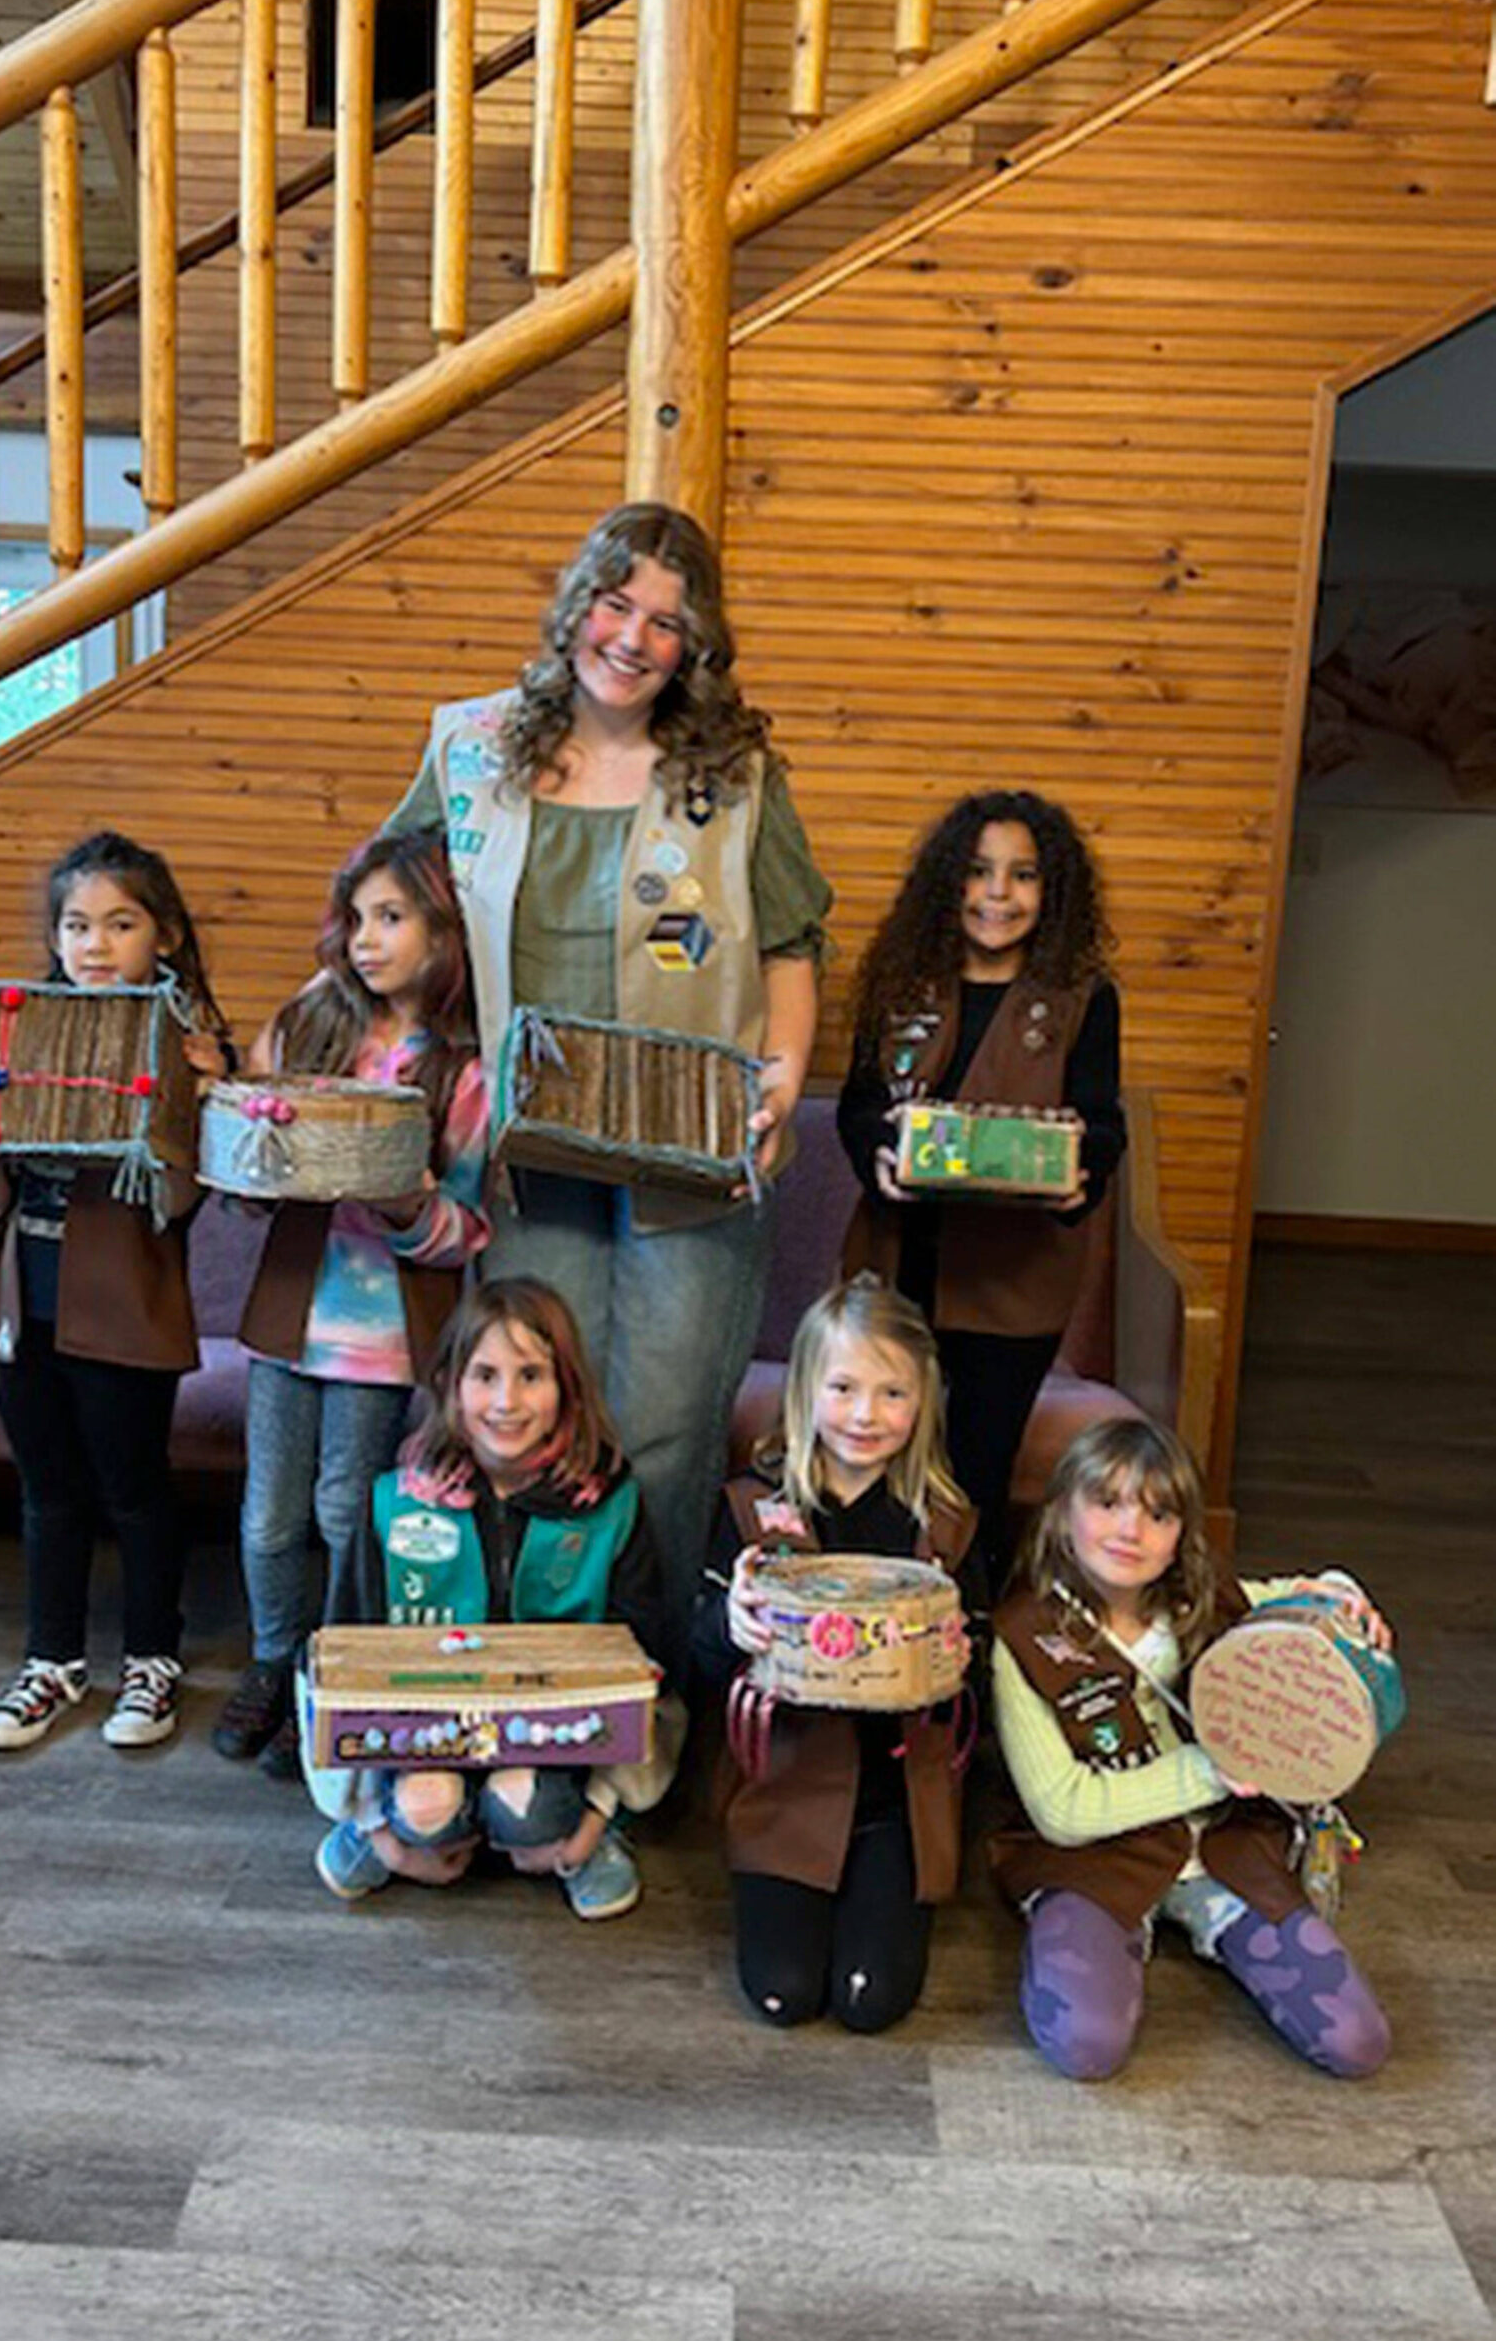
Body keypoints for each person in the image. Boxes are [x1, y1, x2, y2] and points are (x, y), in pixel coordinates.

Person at [382, 502, 832, 1647]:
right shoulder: (473, 748)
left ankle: (647, 1684)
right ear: (578, 605)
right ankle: (537, 1676)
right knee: (535, 1409)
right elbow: (388, 909)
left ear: (696, 646)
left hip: (689, 1146)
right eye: (616, 603)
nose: (632, 637)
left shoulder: (733, 774)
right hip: (526, 1155)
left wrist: (780, 1082)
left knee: (670, 1424)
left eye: (666, 622)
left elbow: (790, 944)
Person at [990, 1418, 1392, 2080]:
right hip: (1095, 1858)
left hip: (1221, 1851)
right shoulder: (1023, 1636)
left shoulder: (1207, 1603)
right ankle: (1116, 1931)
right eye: (1108, 1503)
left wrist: (1345, 1596)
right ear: (1061, 1513)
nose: (1130, 1530)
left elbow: (1302, 1594)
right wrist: (1209, 1771)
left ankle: (1198, 1919)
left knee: (1357, 2042)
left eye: (1158, 1513)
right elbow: (1060, 1811)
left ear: (1181, 1535)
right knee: (1086, 2046)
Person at [213, 829, 489, 1777]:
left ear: (445, 930)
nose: (366, 939)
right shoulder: (311, 1021)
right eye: (357, 918)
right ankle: (270, 1660)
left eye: (393, 917)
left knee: (343, 1512)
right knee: (266, 1517)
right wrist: (250, 1147)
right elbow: (246, 1155)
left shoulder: (465, 1069)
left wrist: (406, 1204)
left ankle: (329, 1676)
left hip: (383, 1338)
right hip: (286, 1320)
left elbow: (467, 1229)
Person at [0, 830, 229, 1752]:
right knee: (47, 1489)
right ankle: (52, 1664)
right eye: (76, 925)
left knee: (134, 1487)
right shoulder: (21, 1032)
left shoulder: (191, 1048)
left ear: (167, 936)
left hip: (125, 1298)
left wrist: (192, 1108)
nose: (94, 945)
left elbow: (181, 1205)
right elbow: (1, 1188)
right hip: (21, 1289)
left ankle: (151, 1659)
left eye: (119, 923)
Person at [308, 1277, 674, 1921]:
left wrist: (596, 1816)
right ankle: (400, 1822)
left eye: (531, 1375)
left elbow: (652, 1672)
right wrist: (378, 1832)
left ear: (566, 1386)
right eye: (485, 1375)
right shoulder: (393, 1502)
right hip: (421, 1743)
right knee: (426, 1809)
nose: (507, 1401)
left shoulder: (610, 1504)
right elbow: (331, 1663)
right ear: (451, 1383)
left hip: (551, 1746)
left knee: (530, 1811)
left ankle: (565, 1837)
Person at [837, 788, 1126, 1596]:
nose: (997, 895)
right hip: (895, 1272)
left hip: (1012, 1286)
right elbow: (861, 1108)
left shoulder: (1081, 998)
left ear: (1053, 890)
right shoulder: (898, 981)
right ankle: (863, 1644)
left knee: (972, 1477)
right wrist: (878, 1160)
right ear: (945, 883)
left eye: (1023, 875)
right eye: (976, 872)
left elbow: (1100, 1126)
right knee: (876, 1471)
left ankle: (958, 1666)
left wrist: (1076, 1176)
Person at [692, 1276, 981, 2033]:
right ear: (804, 1391)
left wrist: (954, 1658)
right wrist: (729, 1624)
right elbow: (691, 1659)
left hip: (898, 1801)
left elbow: (977, 1661)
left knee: (868, 2000)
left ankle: (879, 1893)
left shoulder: (944, 1523)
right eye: (843, 1387)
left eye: (892, 1394)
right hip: (784, 1788)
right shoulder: (749, 1508)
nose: (864, 1415)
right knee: (785, 1995)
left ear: (923, 1401)